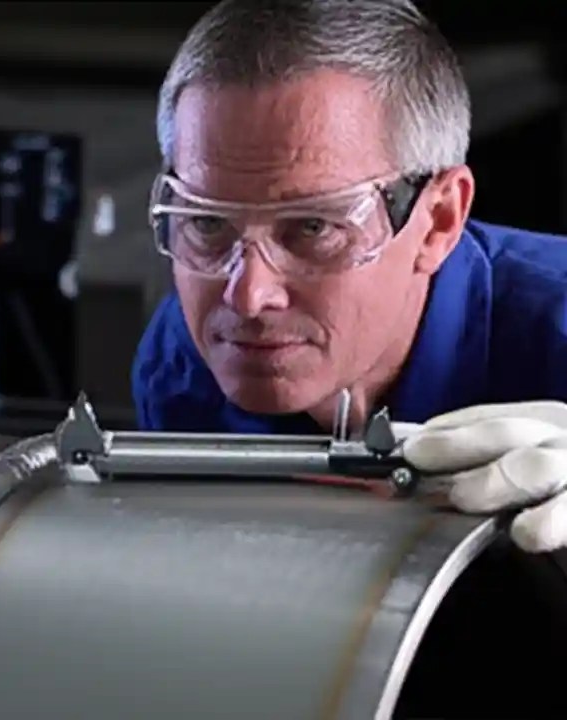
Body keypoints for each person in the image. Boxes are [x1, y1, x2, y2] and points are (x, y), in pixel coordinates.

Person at [130, 0, 567, 552]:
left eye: (314, 226)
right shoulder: (182, 362)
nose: (247, 297)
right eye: (207, 222)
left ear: (438, 221)